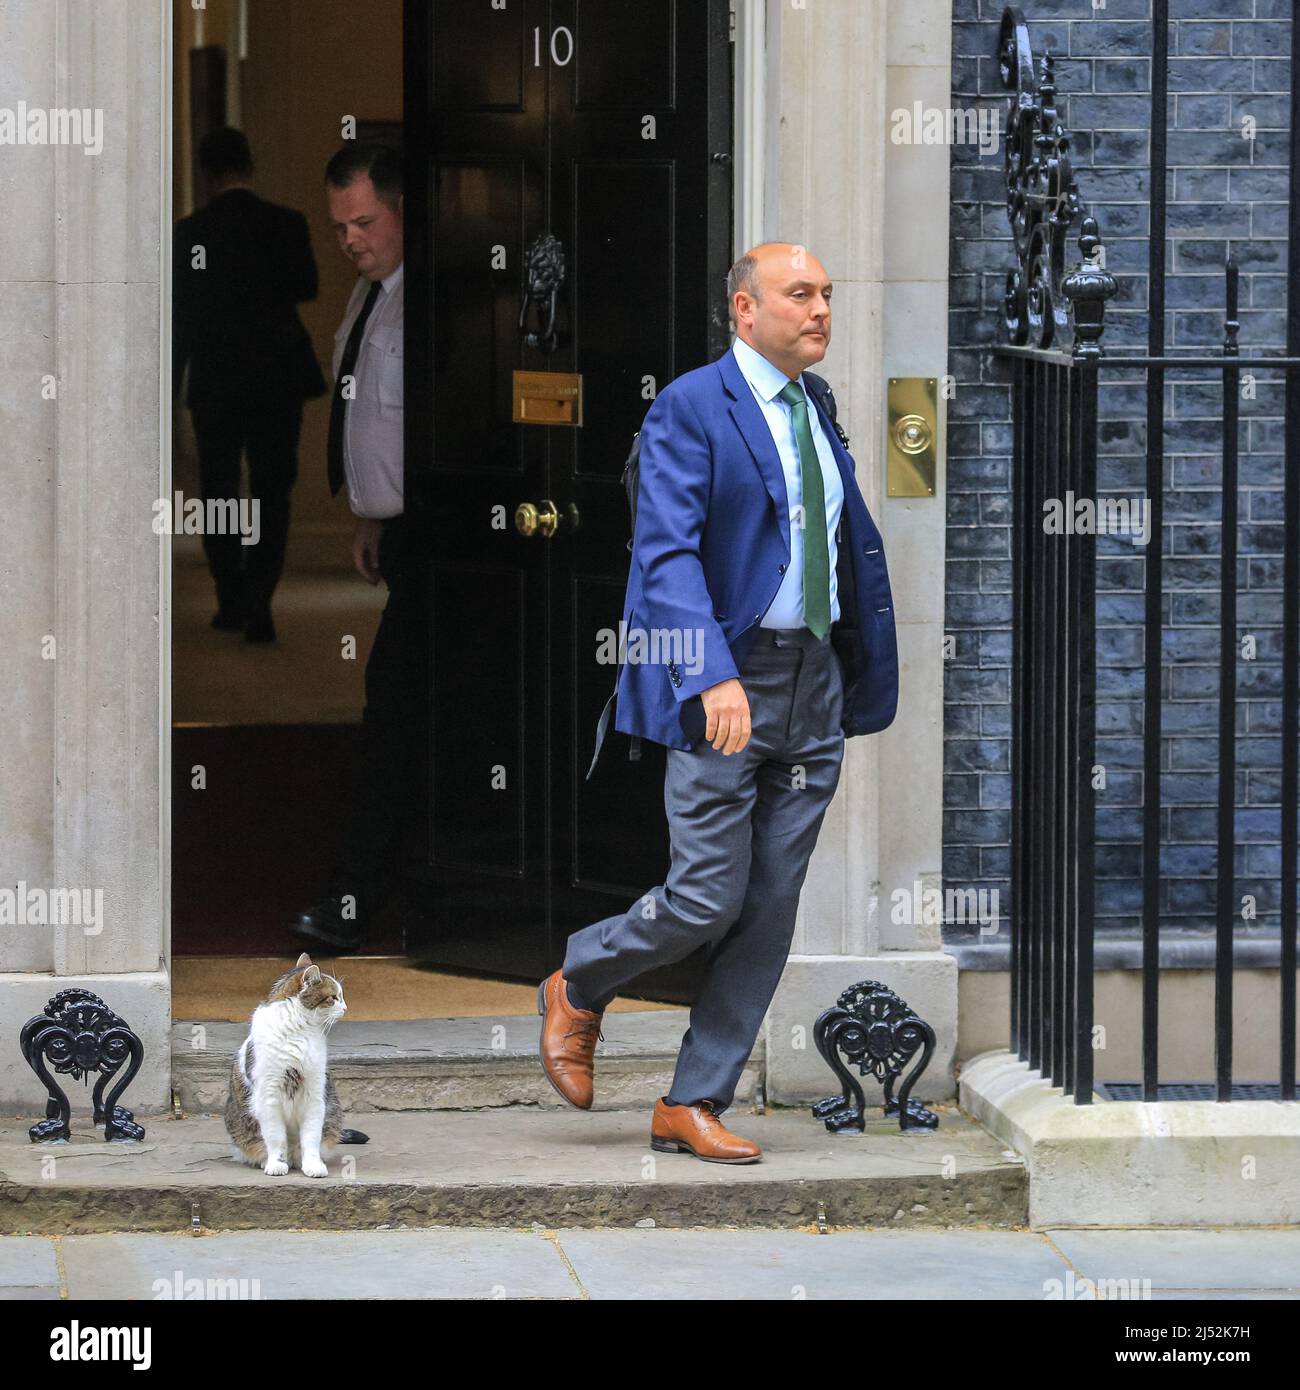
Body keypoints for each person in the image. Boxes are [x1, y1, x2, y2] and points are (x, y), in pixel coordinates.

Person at [538, 243, 899, 1163]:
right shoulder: (690, 408)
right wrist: (708, 675)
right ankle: (579, 980)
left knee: (771, 906)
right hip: (727, 685)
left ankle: (693, 1101)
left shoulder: (816, 406)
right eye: (799, 295)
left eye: (826, 293)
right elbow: (664, 556)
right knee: (706, 896)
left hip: (812, 682)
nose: (820, 309)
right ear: (744, 310)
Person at [292, 143, 429, 954]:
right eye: (339, 224)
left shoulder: (430, 301)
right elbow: (375, 425)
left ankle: (360, 893)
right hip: (399, 535)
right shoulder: (371, 294)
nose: (349, 237)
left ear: (404, 209)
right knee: (403, 714)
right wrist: (370, 516)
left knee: (395, 714)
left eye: (365, 221)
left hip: (444, 543)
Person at [173, 126, 327, 642]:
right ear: (249, 166)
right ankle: (260, 596)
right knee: (272, 488)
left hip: (216, 376)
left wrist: (172, 385)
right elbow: (307, 285)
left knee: (218, 490)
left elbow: (183, 315)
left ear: (207, 173)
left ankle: (231, 595)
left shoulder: (191, 233)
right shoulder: (286, 224)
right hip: (275, 375)